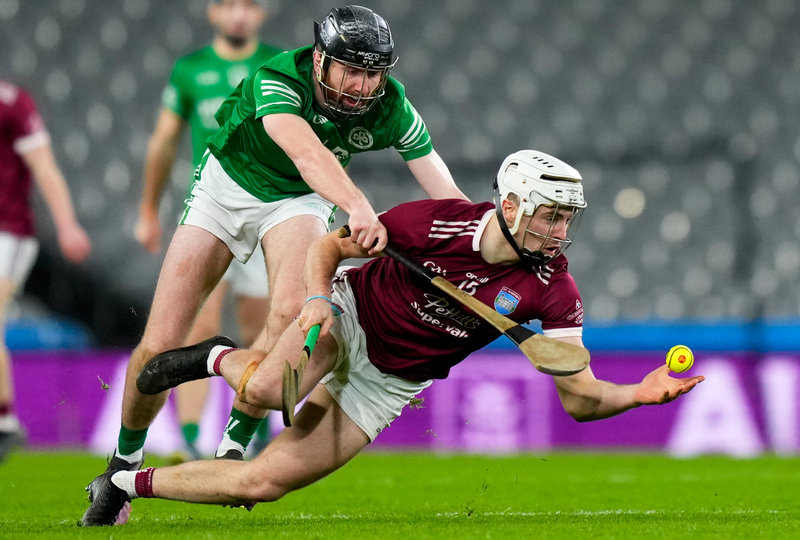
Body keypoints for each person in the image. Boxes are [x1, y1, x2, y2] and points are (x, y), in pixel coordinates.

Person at [81, 150, 704, 523]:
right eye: (551, 214)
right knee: (272, 389)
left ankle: (119, 485)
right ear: (511, 205)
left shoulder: (554, 290)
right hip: (347, 318)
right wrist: (321, 299)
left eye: (567, 218)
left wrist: (637, 393)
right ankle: (214, 354)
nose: (561, 230)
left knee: (262, 484)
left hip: (388, 384)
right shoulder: (429, 222)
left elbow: (579, 396)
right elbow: (328, 245)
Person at [81, 4, 468, 526]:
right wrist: (356, 205)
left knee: (292, 312)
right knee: (160, 342)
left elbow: (445, 191)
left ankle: (234, 443)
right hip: (226, 187)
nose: (360, 85)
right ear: (321, 61)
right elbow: (308, 154)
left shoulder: (390, 106)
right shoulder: (278, 77)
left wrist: (479, 248)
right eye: (350, 69)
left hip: (299, 201)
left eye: (373, 72)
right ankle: (122, 462)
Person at [135, 0, 281, 462]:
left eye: (249, 5)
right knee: (198, 329)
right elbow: (163, 142)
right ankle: (194, 439)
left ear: (262, 13)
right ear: (212, 12)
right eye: (229, 5)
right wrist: (148, 210)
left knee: (264, 326)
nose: (239, 14)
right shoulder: (189, 71)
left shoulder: (277, 66)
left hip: (266, 218)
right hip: (212, 216)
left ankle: (250, 427)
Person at [0, 80, 92, 463]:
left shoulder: (11, 102)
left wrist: (67, 225)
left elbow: (44, 166)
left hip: (8, 231)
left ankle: (5, 422)